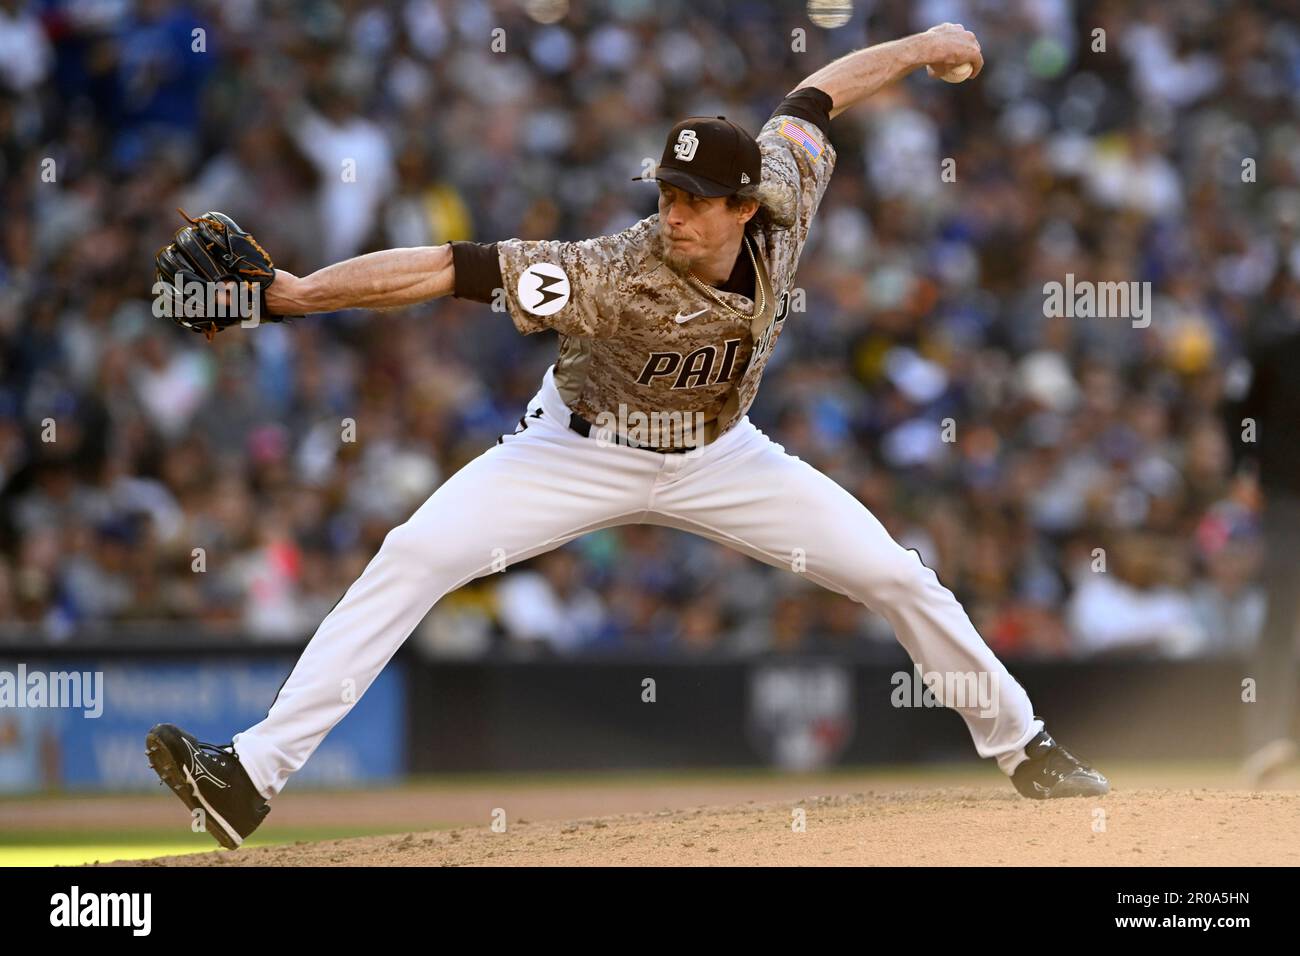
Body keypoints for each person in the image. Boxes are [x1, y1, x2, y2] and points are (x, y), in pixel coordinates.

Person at [146, 23, 1108, 850]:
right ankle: (248, 779)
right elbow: (451, 266)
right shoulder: (611, 272)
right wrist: (302, 293)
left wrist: (927, 46)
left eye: (693, 198)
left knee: (898, 575)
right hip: (580, 450)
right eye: (667, 191)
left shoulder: (786, 185)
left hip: (723, 456)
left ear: (745, 205)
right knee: (415, 553)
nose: (673, 211)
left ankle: (1025, 748)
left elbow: (819, 93)